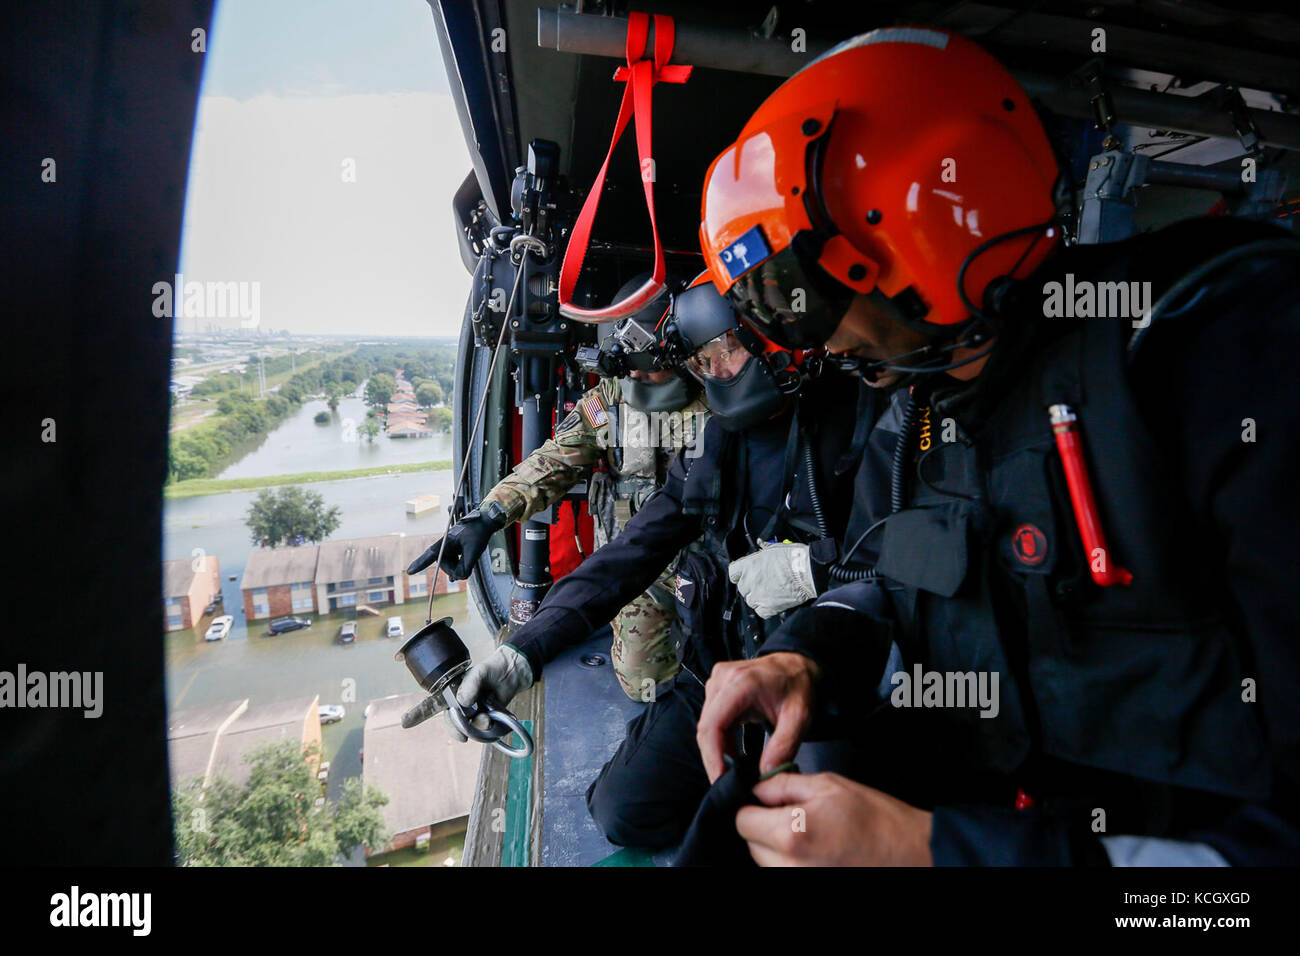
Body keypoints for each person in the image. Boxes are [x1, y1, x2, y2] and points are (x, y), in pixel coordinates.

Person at [694, 26, 1300, 865]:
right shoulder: (917, 409)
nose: (817, 345)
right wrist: (808, 656)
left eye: (801, 300)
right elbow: (884, 581)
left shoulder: (1227, 350)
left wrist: (935, 854)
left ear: (909, 231)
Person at [451, 274, 863, 848]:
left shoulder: (859, 421)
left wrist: (816, 570)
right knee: (621, 811)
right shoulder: (719, 436)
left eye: (725, 352)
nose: (715, 372)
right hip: (718, 659)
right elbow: (631, 549)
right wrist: (522, 651)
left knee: (824, 833)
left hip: (820, 670)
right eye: (703, 359)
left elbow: (908, 553)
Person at [407, 277, 707, 700]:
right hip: (635, 567)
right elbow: (558, 456)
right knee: (646, 686)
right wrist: (487, 516)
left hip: (712, 556)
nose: (636, 374)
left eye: (646, 363)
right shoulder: (611, 400)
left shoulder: (721, 391)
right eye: (629, 366)